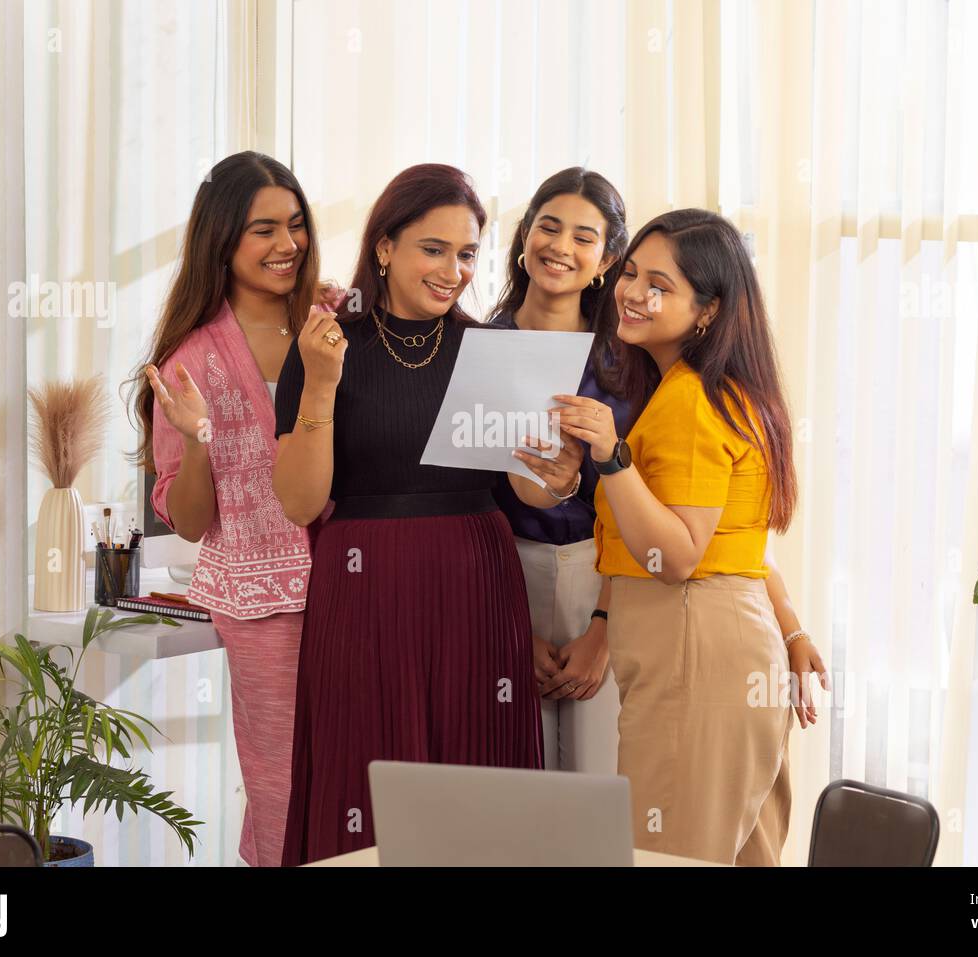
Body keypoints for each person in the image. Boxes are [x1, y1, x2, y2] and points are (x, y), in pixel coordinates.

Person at [272, 163, 582, 865]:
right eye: (433, 249)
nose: (454, 270)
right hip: (362, 586)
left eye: (467, 253)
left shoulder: (489, 351)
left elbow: (525, 485)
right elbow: (299, 500)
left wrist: (558, 481)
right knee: (367, 771)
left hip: (476, 580)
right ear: (385, 246)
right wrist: (321, 387)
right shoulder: (324, 347)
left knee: (474, 778)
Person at [552, 209, 828, 865]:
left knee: (665, 852)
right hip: (732, 645)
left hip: (694, 646)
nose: (632, 291)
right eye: (631, 273)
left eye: (660, 284)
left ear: (707, 311)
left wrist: (611, 455)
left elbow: (675, 554)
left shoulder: (691, 401)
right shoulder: (720, 390)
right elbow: (736, 539)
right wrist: (789, 629)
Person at [127, 151, 340, 866]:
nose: (289, 245)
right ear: (223, 240)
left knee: (361, 776)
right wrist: (194, 439)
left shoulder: (332, 324)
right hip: (262, 603)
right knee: (283, 787)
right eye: (264, 230)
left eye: (297, 224)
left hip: (357, 582)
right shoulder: (191, 361)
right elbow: (188, 521)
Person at [485, 167, 629, 773]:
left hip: (602, 577)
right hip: (500, 579)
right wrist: (508, 624)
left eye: (583, 237)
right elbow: (463, 496)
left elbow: (639, 505)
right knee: (517, 784)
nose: (560, 247)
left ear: (606, 260)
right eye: (548, 227)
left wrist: (605, 627)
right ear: (524, 237)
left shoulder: (625, 360)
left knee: (600, 783)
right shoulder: (478, 348)